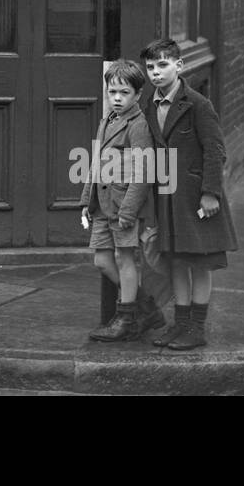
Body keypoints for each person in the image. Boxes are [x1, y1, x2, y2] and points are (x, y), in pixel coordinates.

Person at [139, 38, 238, 351]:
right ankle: (179, 324)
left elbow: (215, 149)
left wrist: (210, 193)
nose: (156, 73)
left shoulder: (197, 104)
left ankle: (197, 328)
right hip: (167, 199)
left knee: (200, 263)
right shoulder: (148, 105)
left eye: (163, 65)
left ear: (179, 66)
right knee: (177, 261)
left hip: (195, 198)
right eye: (151, 67)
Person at [79, 60, 158, 342]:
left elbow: (144, 171)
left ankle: (125, 318)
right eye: (112, 92)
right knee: (101, 260)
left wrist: (129, 210)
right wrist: (86, 200)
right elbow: (96, 162)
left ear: (137, 95)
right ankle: (146, 306)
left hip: (123, 206)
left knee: (126, 259)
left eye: (124, 93)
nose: (117, 98)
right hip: (102, 205)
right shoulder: (106, 121)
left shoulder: (138, 126)